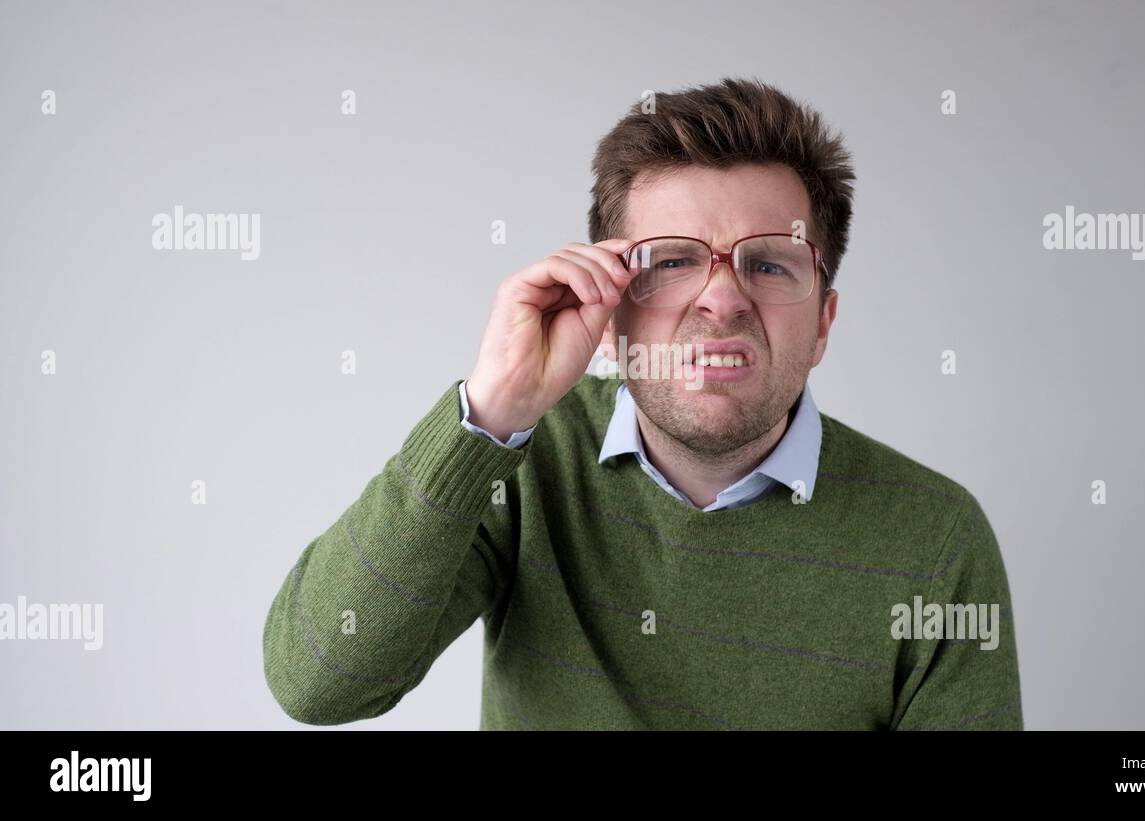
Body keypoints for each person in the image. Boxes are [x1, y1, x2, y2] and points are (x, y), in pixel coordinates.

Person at [263, 76, 1023, 730]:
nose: (722, 299)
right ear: (606, 310)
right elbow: (317, 680)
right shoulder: (521, 462)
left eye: (769, 263)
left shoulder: (937, 538)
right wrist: (490, 411)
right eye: (670, 262)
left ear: (823, 321)